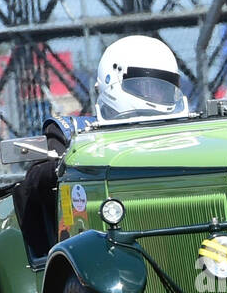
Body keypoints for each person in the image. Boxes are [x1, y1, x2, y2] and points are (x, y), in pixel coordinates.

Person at [13, 36, 189, 255]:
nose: (157, 95)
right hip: (100, 250)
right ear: (112, 79)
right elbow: (37, 180)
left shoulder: (187, 133)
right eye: (146, 86)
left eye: (164, 87)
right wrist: (68, 164)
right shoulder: (72, 133)